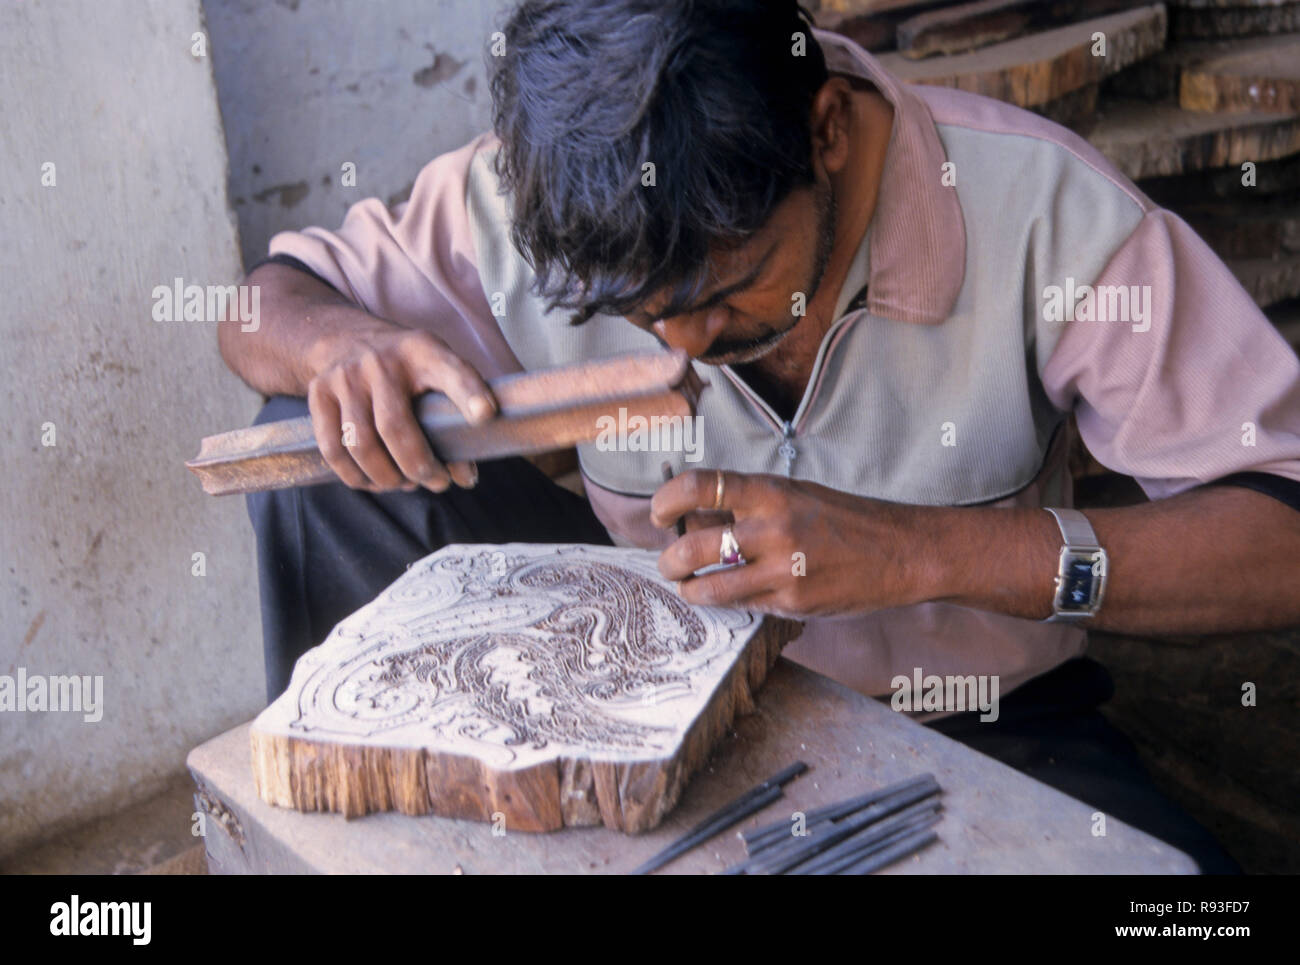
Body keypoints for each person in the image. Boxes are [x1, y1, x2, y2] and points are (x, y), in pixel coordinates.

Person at [217, 1, 1300, 874]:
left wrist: (920, 552)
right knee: (315, 450)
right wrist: (337, 345)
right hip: (632, 694)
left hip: (967, 714)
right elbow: (266, 302)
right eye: (640, 313)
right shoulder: (545, 186)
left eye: (726, 288)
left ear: (826, 130)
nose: (684, 343)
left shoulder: (1046, 213)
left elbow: (1282, 526)